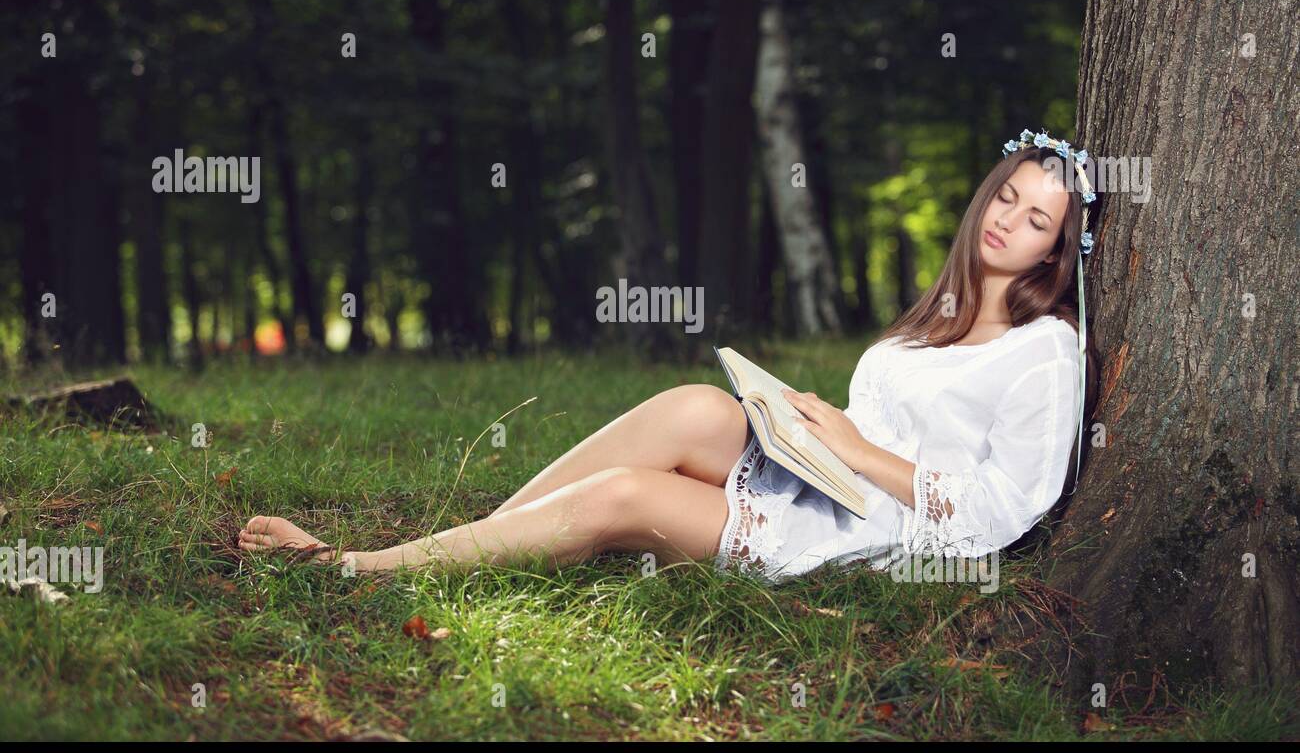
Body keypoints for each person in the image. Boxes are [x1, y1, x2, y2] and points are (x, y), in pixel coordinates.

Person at [239, 135, 1099, 584]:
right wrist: (805, 424)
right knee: (692, 404)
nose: (1007, 220)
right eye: (1008, 196)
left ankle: (358, 570)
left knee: (624, 497)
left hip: (889, 537)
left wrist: (854, 449)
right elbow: (875, 421)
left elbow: (1002, 512)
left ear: (1057, 253)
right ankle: (477, 545)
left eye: (1036, 222)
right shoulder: (937, 317)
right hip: (840, 480)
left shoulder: (1046, 352)